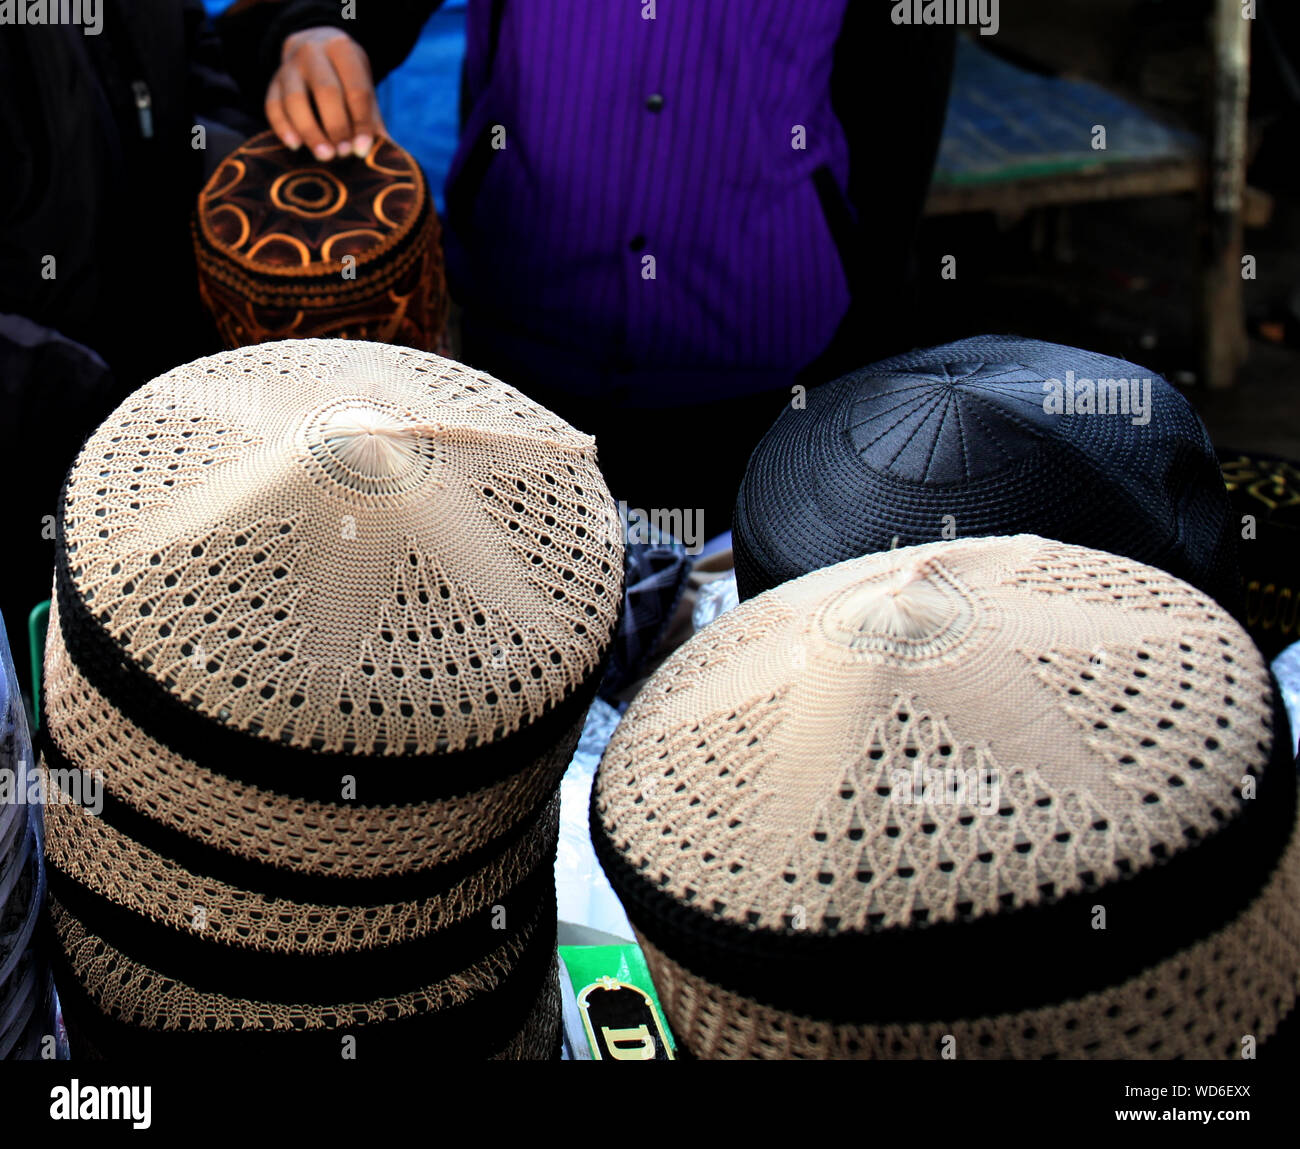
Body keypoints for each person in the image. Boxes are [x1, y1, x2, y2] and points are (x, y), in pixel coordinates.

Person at [227, 2, 956, 534]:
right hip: (517, 369)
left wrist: (869, 352)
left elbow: (899, 121)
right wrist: (313, 29)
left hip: (769, 374)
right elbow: (326, 15)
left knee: (734, 653)